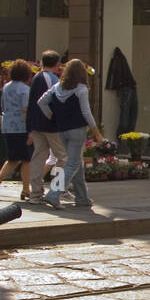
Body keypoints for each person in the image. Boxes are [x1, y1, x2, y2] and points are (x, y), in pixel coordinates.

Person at [37, 59, 103, 210]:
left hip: (62, 129)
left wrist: (51, 116)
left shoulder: (57, 87)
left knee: (76, 162)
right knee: (72, 164)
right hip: (77, 129)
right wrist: (96, 133)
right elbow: (86, 112)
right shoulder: (81, 89)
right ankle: (54, 193)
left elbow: (41, 102)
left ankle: (82, 198)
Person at [25, 50, 66, 203]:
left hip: (36, 125)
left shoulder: (35, 78)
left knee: (38, 157)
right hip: (52, 125)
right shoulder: (54, 79)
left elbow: (31, 104)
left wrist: (29, 127)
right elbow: (56, 102)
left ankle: (35, 193)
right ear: (57, 64)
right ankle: (55, 191)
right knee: (63, 158)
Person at [0, 60, 33, 199]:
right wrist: (31, 129)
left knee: (14, 157)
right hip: (21, 126)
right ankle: (26, 189)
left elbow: (2, 105)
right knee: (26, 158)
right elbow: (26, 109)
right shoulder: (25, 90)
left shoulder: (6, 87)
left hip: (7, 125)